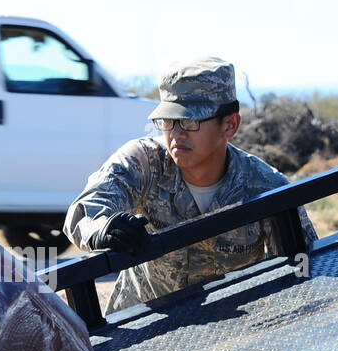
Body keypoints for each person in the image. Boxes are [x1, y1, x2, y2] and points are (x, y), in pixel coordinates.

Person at [63, 56, 317, 312]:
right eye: (168, 120)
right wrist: (104, 228)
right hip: (142, 328)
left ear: (230, 125)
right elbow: (86, 209)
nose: (175, 133)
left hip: (233, 331)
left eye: (189, 121)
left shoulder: (265, 187)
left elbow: (302, 271)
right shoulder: (144, 162)